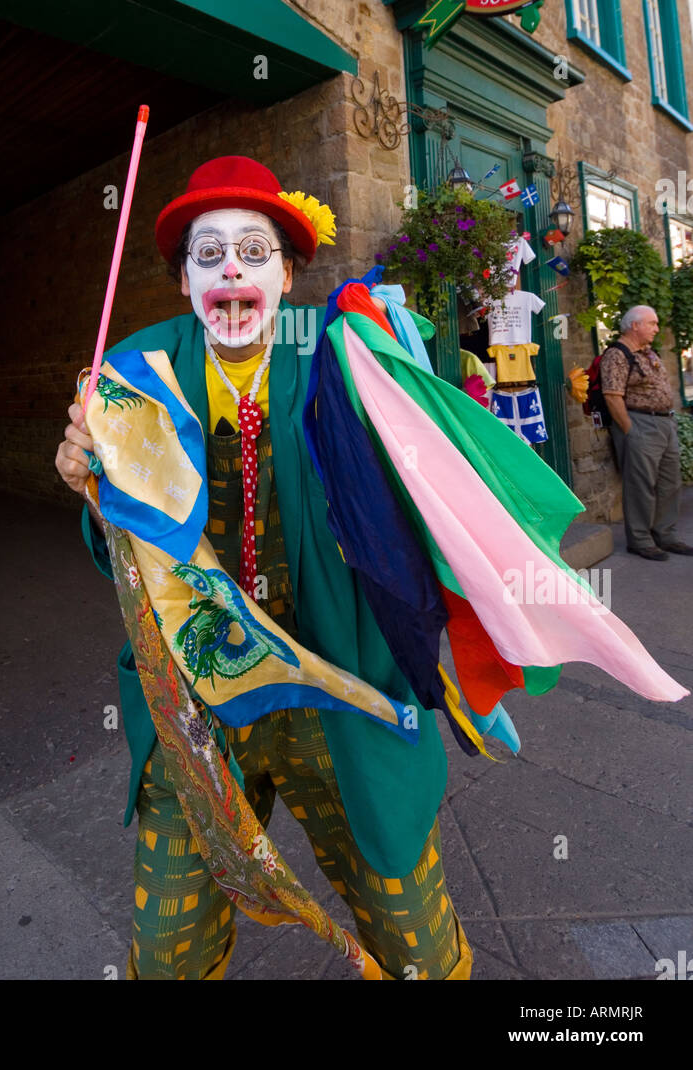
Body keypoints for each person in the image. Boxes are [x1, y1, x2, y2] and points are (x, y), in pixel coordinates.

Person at [56, 155, 472, 981]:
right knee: (170, 950)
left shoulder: (346, 356)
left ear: (288, 272)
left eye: (255, 251)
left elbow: (427, 491)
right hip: (198, 697)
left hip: (337, 682)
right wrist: (93, 494)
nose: (232, 271)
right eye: (207, 256)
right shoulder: (133, 373)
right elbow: (124, 558)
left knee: (411, 932)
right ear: (182, 282)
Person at [602, 305, 692, 560]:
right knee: (640, 484)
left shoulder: (647, 352)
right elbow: (612, 395)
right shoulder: (618, 355)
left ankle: (666, 534)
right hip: (640, 423)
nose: (655, 328)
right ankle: (640, 540)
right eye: (651, 323)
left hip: (664, 423)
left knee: (670, 482)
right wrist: (630, 430)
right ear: (635, 325)